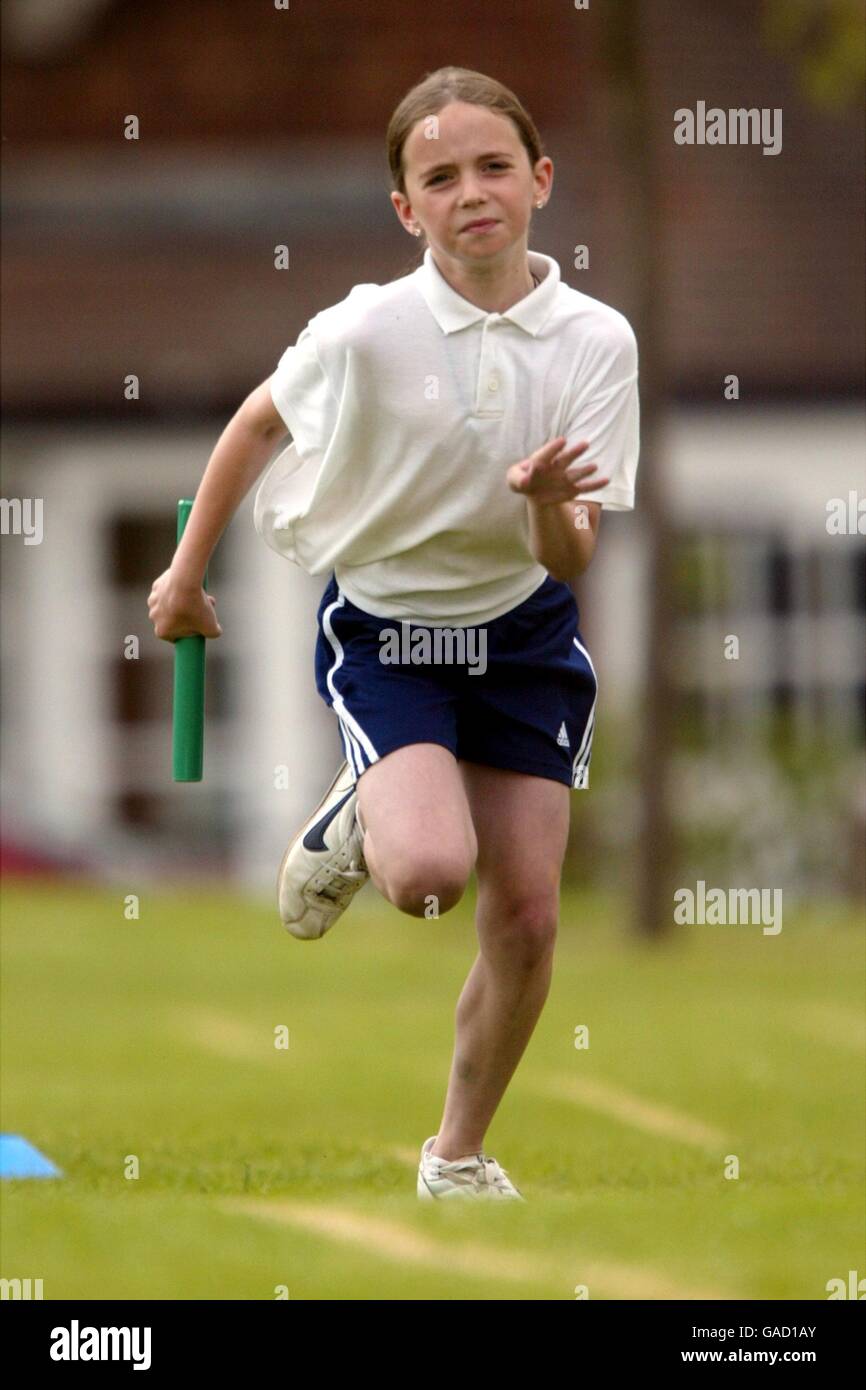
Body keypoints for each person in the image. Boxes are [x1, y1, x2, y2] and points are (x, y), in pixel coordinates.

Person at [147, 65, 640, 1202]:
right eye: (439, 176)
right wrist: (181, 579)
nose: (472, 190)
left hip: (524, 633)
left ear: (540, 180)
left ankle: (456, 1159)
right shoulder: (366, 328)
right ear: (405, 209)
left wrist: (535, 504)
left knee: (526, 915)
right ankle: (370, 813)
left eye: (494, 166)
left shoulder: (596, 343)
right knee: (428, 879)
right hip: (388, 630)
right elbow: (256, 424)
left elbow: (571, 552)